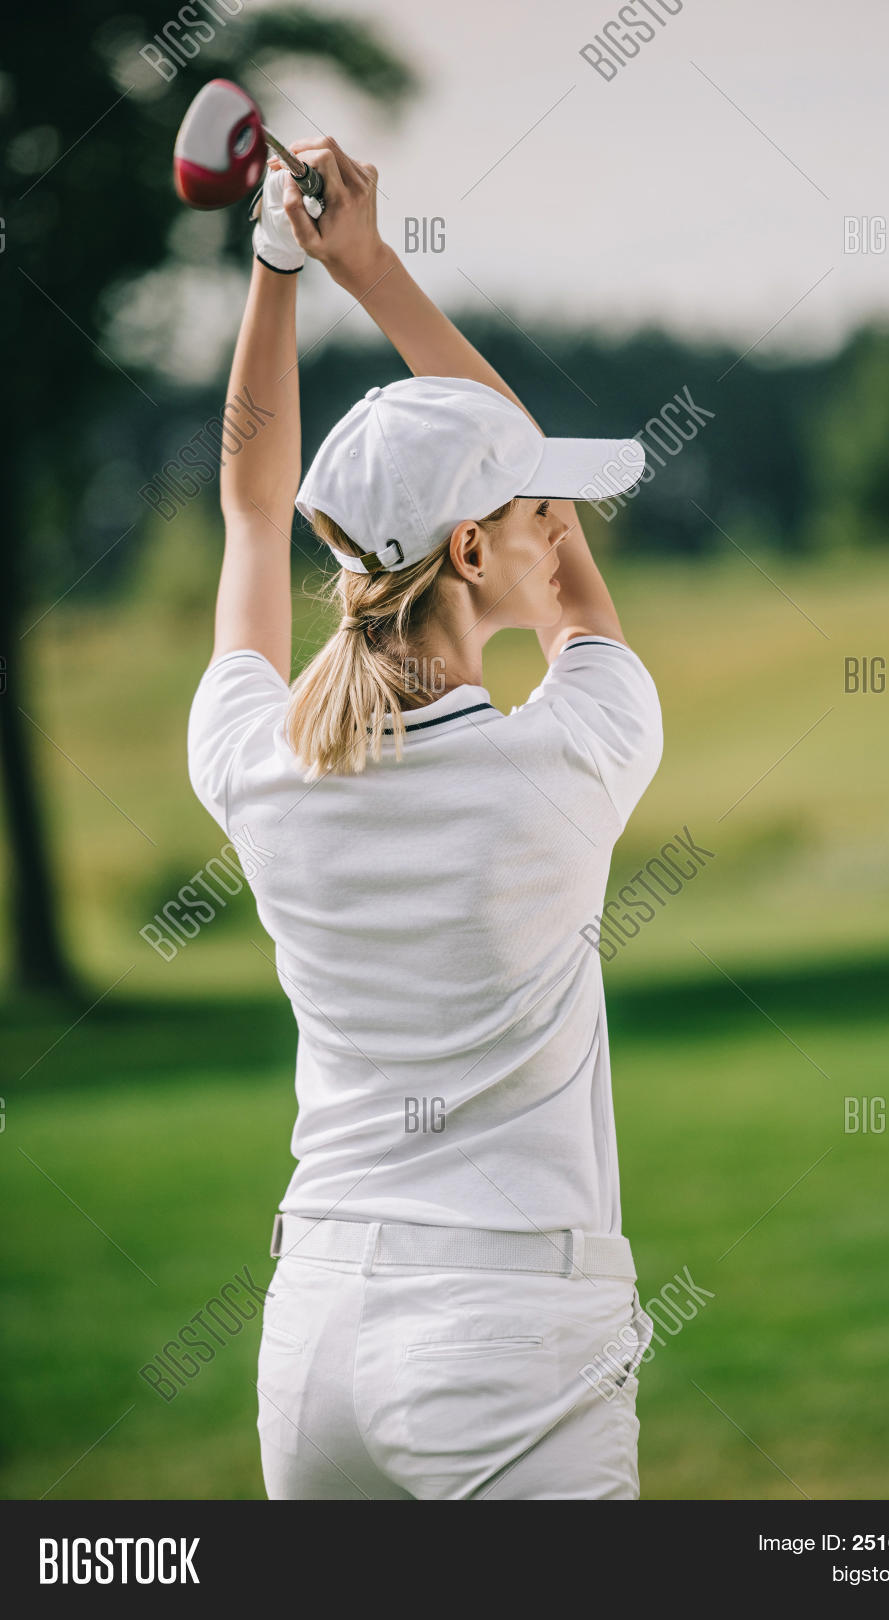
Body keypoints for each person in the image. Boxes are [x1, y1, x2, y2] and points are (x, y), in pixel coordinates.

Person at [187, 137, 662, 1500]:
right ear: (470, 550)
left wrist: (273, 267)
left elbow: (247, 504)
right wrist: (364, 267)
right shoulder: (565, 759)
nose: (553, 526)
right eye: (524, 511)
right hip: (507, 1339)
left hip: (313, 1332)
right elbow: (567, 570)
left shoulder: (254, 763)